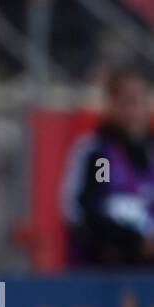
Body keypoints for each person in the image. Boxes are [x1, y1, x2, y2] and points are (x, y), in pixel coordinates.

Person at [60, 64, 154, 267]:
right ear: (111, 104)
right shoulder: (102, 156)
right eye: (126, 100)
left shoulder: (149, 153)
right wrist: (133, 243)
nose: (133, 108)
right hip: (106, 269)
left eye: (140, 99)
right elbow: (95, 206)